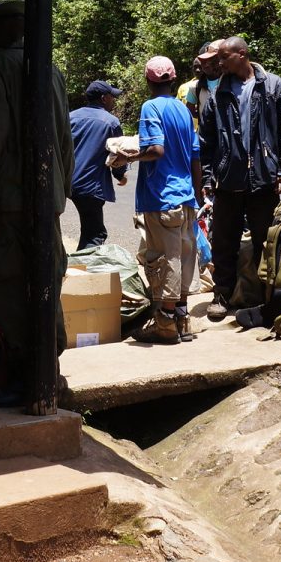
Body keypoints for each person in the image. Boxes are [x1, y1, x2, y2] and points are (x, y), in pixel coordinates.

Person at [0, 0, 74, 407]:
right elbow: (65, 139)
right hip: (47, 198)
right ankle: (50, 368)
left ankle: (21, 376)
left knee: (9, 285)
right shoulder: (53, 69)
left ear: (9, 28)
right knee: (46, 277)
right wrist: (59, 190)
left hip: (11, 198)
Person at [199, 36, 281, 320]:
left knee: (265, 241)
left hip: (264, 177)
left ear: (242, 54)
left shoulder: (272, 85)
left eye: (224, 57)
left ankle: (266, 297)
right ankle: (222, 295)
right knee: (224, 242)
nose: (220, 63)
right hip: (227, 179)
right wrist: (207, 176)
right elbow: (206, 140)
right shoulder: (219, 92)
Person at [114, 56, 202, 345]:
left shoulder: (150, 107)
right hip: (185, 198)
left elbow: (156, 150)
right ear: (173, 79)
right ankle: (182, 321)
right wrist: (197, 194)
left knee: (165, 260)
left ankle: (165, 324)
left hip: (161, 198)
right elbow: (195, 156)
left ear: (147, 81)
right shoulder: (184, 110)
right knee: (184, 258)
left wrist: (128, 157)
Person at [68, 80, 126, 250]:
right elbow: (117, 153)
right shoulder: (111, 122)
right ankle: (83, 266)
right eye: (111, 97)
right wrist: (120, 175)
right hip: (91, 186)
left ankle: (79, 262)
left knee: (89, 229)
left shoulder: (71, 117)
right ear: (103, 98)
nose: (114, 101)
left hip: (69, 182)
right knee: (95, 235)